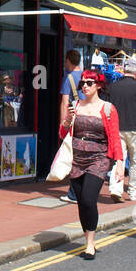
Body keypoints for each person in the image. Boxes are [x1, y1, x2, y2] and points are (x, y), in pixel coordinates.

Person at [58, 70, 123, 259]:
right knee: (81, 203)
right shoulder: (75, 105)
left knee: (88, 199)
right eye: (82, 83)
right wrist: (69, 119)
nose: (84, 86)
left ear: (99, 86)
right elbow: (63, 133)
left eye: (89, 83)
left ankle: (90, 243)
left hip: (99, 158)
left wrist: (119, 164)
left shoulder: (108, 108)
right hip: (77, 158)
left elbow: (114, 138)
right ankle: (88, 236)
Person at [108, 59, 136, 201]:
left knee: (118, 159)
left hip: (117, 129)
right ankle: (134, 192)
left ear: (123, 70)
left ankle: (116, 189)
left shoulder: (113, 87)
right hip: (135, 129)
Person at [59, 50, 85, 205]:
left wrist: (63, 124)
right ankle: (79, 190)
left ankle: (73, 193)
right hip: (87, 118)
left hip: (75, 119)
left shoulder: (68, 78)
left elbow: (64, 102)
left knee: (73, 156)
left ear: (68, 60)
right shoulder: (85, 75)